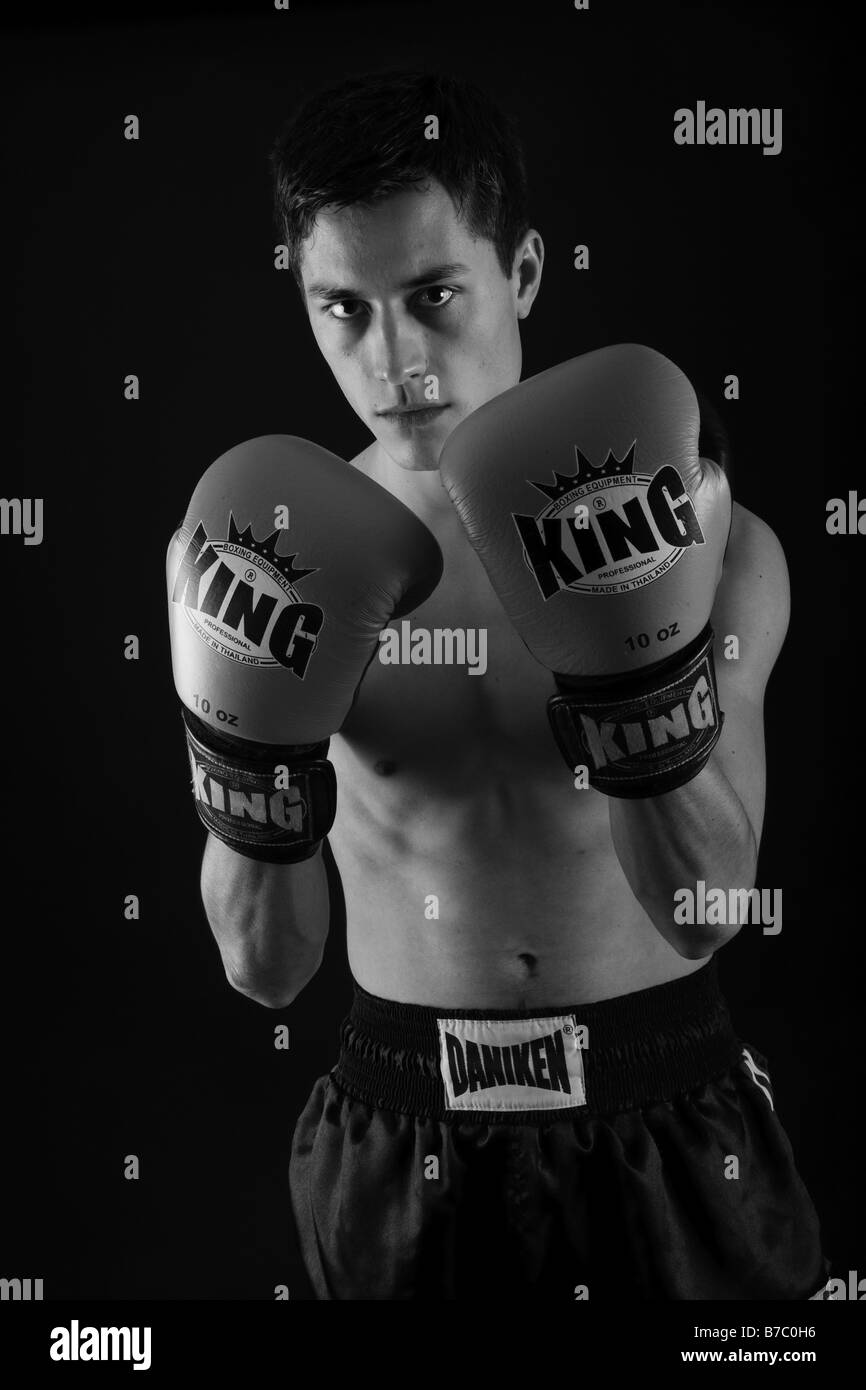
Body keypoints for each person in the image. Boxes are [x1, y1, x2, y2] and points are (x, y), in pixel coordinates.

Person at [168, 70, 831, 1300]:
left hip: (664, 1106)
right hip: (398, 1122)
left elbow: (703, 908)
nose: (397, 358)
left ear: (520, 275)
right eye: (343, 311)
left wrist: (630, 666)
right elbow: (264, 969)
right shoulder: (253, 566)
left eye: (432, 295)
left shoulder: (703, 537)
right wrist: (249, 761)